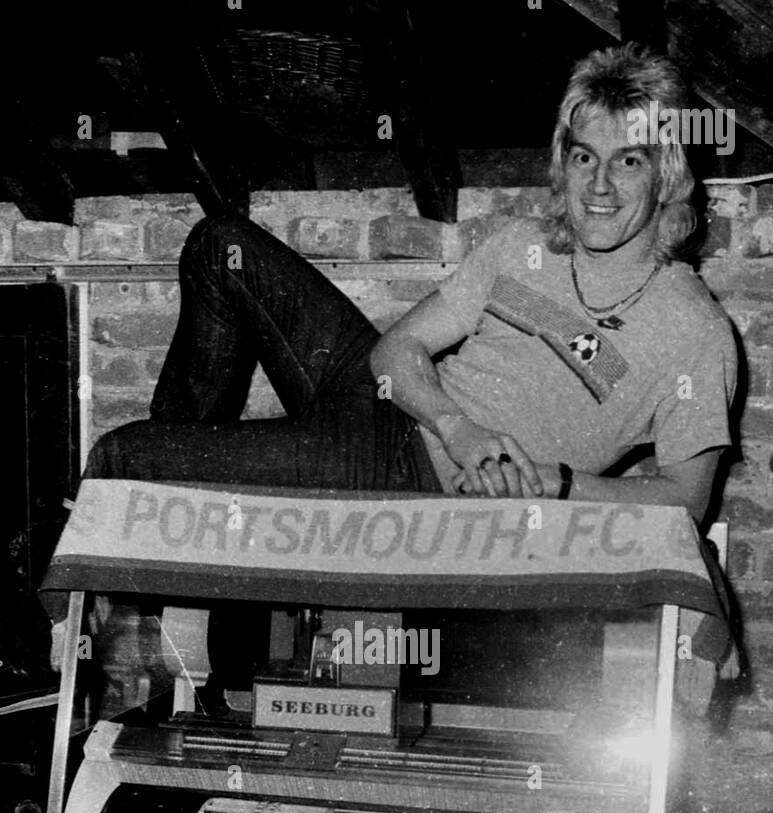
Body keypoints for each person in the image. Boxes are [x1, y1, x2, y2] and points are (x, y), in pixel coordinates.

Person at [85, 43, 737, 529]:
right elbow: (395, 351)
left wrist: (558, 483)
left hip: (404, 468)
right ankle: (177, 529)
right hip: (391, 402)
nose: (598, 187)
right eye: (583, 157)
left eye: (628, 161)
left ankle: (154, 511)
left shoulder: (695, 332)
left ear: (667, 174)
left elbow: (684, 498)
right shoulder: (523, 245)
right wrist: (457, 426)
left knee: (124, 457)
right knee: (221, 244)